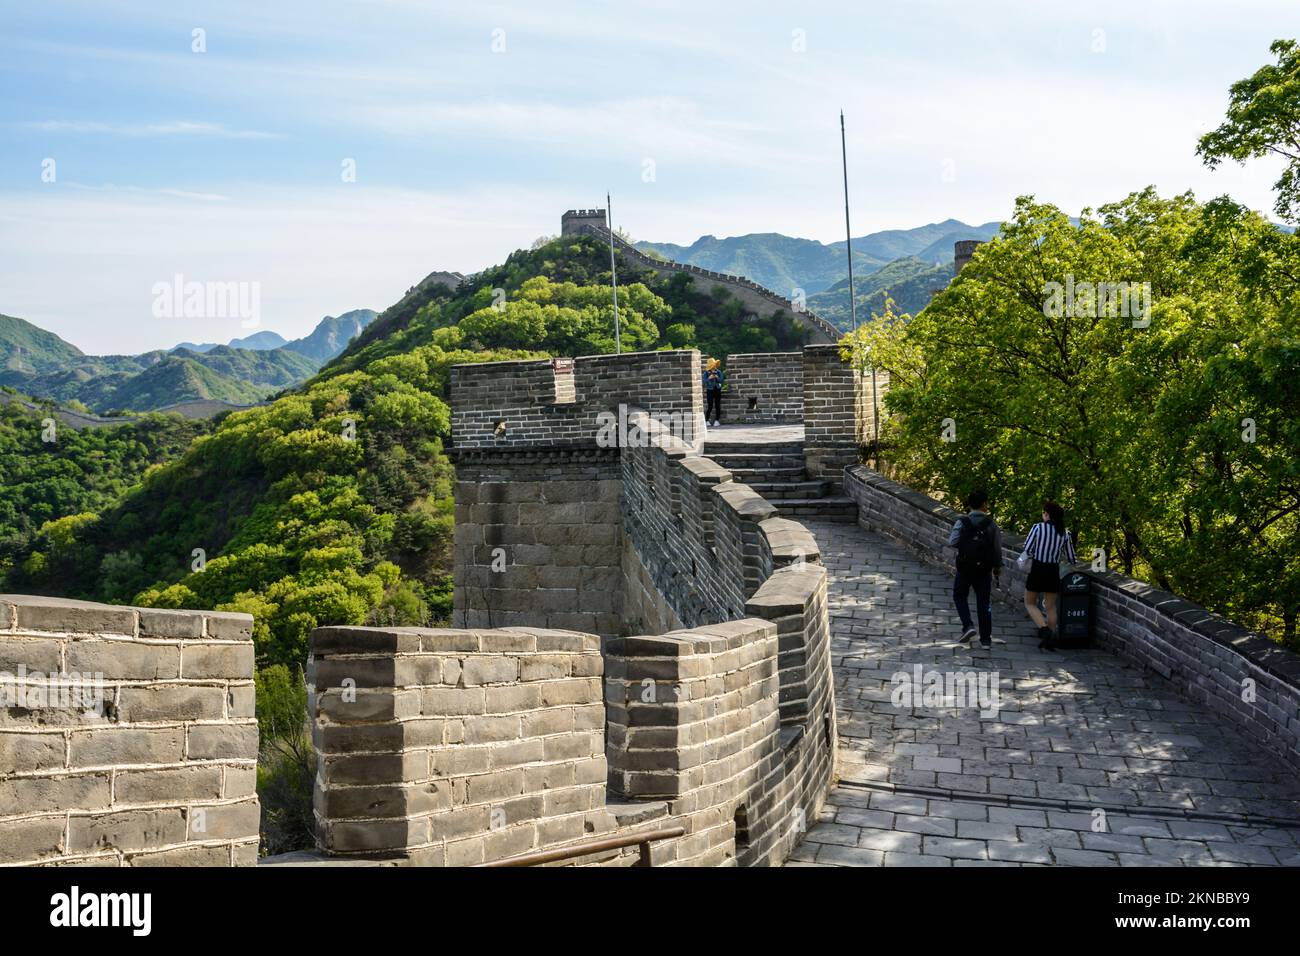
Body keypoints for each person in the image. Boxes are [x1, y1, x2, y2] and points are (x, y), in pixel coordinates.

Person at [948, 489, 1003, 649]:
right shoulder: (991, 524)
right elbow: (997, 549)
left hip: (964, 567)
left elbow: (952, 542)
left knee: (959, 595)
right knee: (984, 602)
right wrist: (997, 567)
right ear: (984, 504)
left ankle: (968, 626)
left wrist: (966, 545)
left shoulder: (962, 522)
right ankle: (985, 640)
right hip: (984, 569)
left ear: (969, 505)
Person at [1021, 501, 1077, 651]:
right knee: (1050, 606)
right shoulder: (1065, 533)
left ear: (1047, 514)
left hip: (1038, 568)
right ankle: (1051, 638)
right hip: (1053, 571)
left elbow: (1027, 548)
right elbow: (1072, 558)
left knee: (1030, 603)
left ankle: (1044, 629)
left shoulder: (1038, 528)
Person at [703, 358, 725, 427]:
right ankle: (707, 420)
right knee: (710, 405)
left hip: (717, 389)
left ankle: (717, 420)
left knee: (717, 405)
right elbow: (704, 382)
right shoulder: (706, 373)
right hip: (710, 390)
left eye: (714, 365)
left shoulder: (718, 372)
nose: (714, 366)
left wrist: (717, 377)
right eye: (713, 365)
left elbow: (721, 381)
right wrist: (709, 378)